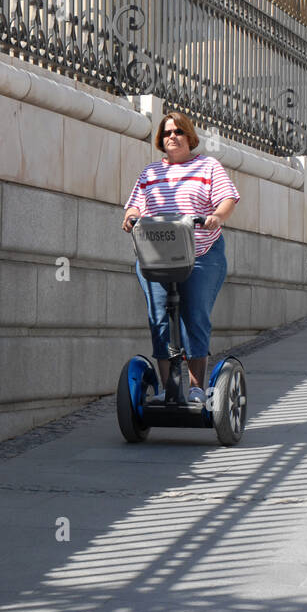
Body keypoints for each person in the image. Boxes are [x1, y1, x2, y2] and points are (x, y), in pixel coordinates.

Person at [122, 112, 239, 402]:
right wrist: (131, 217)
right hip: (157, 257)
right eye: (166, 133)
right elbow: (135, 205)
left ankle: (197, 389)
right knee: (160, 320)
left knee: (193, 318)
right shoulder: (150, 173)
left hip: (201, 254)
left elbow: (227, 199)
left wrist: (215, 216)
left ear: (189, 137)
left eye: (178, 132)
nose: (171, 137)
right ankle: (169, 391)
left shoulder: (208, 166)